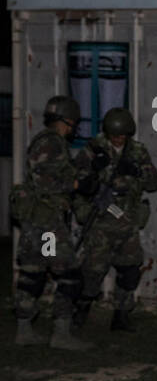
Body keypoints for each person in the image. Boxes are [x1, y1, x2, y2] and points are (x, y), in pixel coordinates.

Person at [13, 95, 91, 350]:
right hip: (47, 223)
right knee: (69, 274)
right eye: (74, 122)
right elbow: (44, 183)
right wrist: (77, 184)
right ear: (67, 120)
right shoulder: (52, 143)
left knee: (33, 273)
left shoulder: (46, 141)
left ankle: (24, 330)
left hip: (36, 220)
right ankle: (61, 333)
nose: (74, 127)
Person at [72, 107, 157, 332]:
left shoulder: (138, 151)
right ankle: (81, 309)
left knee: (129, 270)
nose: (118, 139)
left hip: (127, 221)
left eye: (122, 135)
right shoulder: (93, 150)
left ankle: (121, 315)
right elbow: (76, 183)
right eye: (114, 135)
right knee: (93, 270)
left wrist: (137, 171)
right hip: (101, 221)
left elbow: (153, 183)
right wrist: (93, 170)